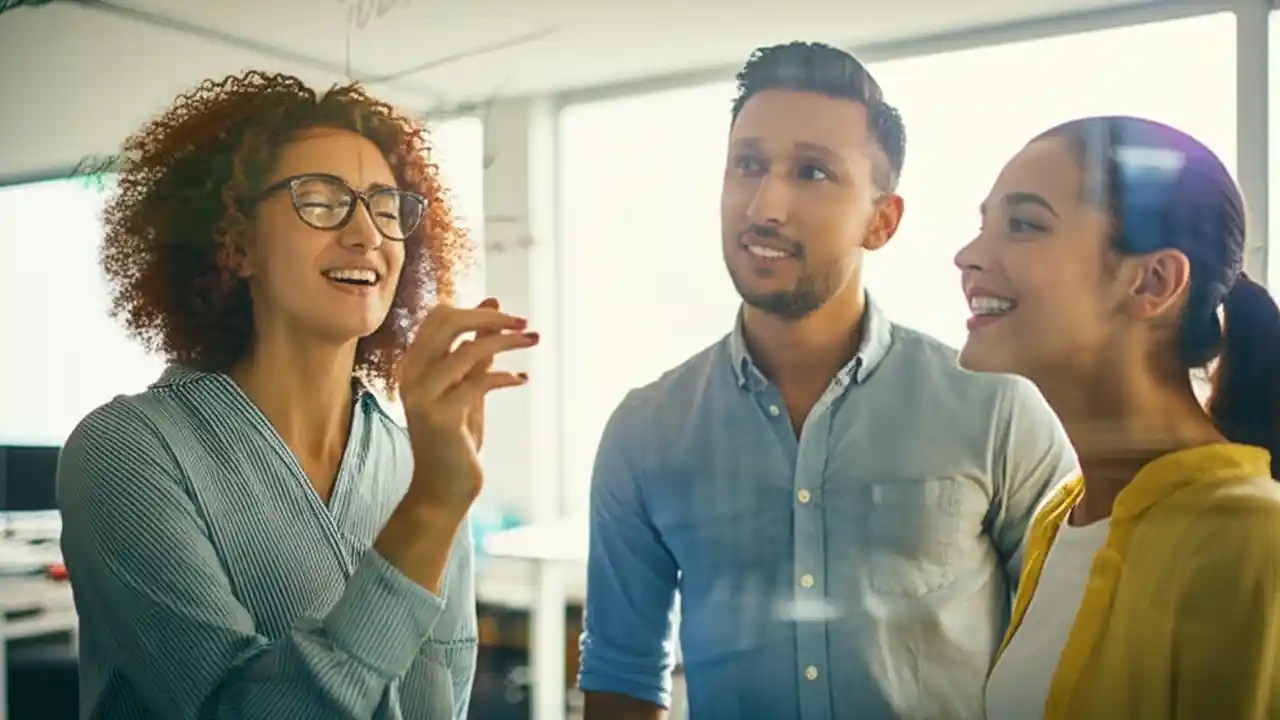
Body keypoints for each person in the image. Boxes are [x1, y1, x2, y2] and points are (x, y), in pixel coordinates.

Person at [578, 41, 1077, 720]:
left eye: (812, 172)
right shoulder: (645, 429)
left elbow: (1064, 655)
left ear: (882, 221)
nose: (765, 204)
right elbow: (621, 674)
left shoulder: (995, 409)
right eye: (747, 165)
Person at [56, 71, 539, 720]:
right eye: (321, 198)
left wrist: (438, 495)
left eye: (386, 207)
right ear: (237, 241)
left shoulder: (416, 459)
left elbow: (436, 704)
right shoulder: (126, 454)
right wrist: (430, 510)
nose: (367, 233)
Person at [963, 116, 1280, 719]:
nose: (969, 256)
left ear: (1152, 282)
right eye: (983, 225)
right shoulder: (1060, 519)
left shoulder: (1251, 542)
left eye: (1023, 224)